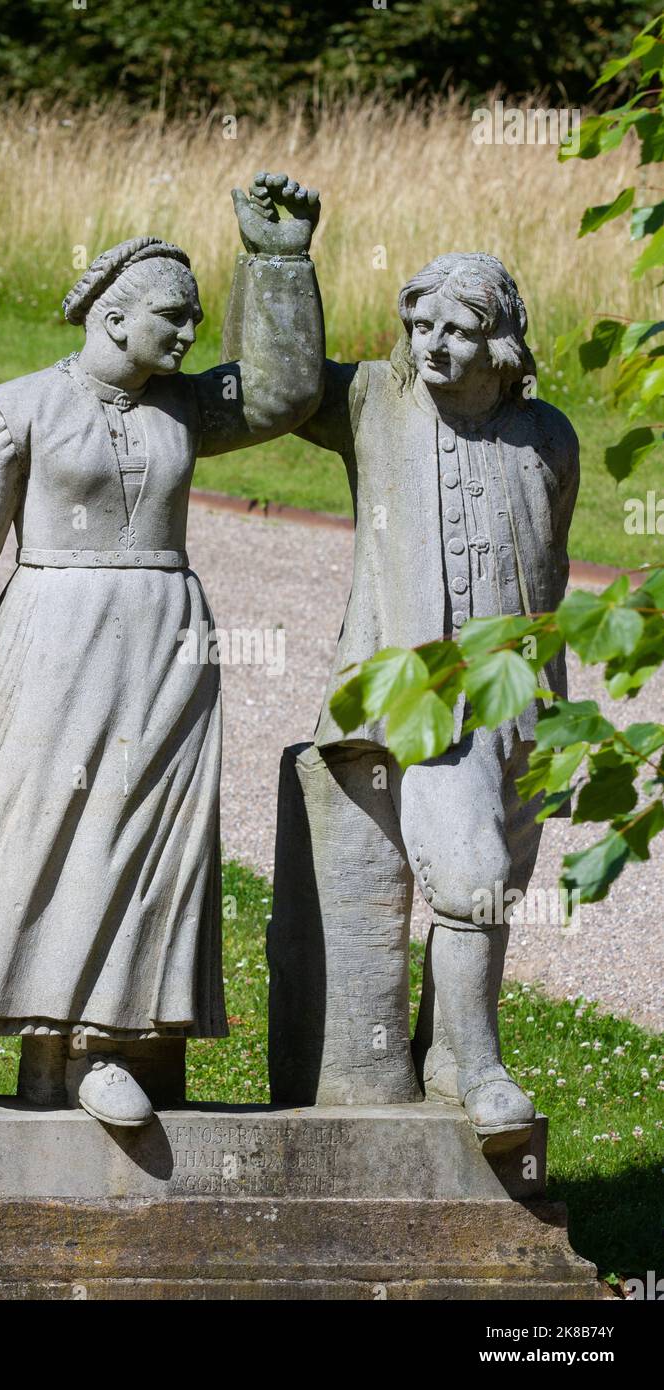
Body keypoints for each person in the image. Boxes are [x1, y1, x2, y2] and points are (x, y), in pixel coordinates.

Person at [0, 172, 324, 1128]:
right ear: (114, 313)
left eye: (194, 320)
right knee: (20, 826)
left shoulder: (183, 409)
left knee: (140, 843)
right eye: (173, 318)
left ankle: (102, 1040)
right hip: (53, 633)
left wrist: (281, 258)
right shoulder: (14, 408)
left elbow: (287, 392)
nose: (187, 336)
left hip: (169, 645)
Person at [273, 250, 579, 1151]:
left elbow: (551, 564)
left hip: (519, 701)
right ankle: (481, 1071)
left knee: (496, 890)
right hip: (423, 699)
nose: (432, 346)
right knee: (475, 877)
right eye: (421, 327)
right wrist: (282, 259)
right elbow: (287, 385)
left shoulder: (550, 436)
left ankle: (449, 1057)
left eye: (457, 331)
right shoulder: (374, 400)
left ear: (502, 344)